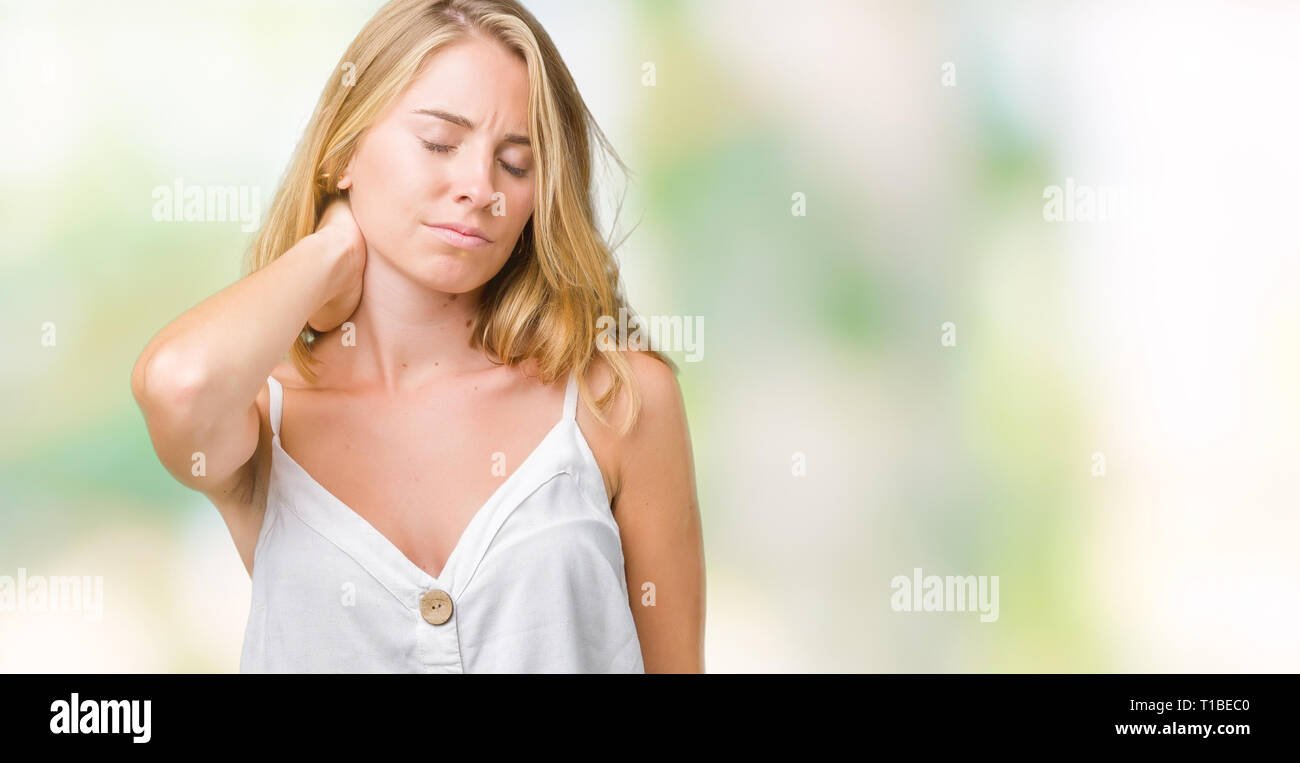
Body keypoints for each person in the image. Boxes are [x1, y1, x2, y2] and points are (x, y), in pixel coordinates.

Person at [130, 0, 704, 673]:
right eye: (438, 142)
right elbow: (179, 382)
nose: (478, 187)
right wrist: (332, 250)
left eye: (516, 164)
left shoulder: (620, 402)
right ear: (344, 150)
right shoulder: (263, 419)